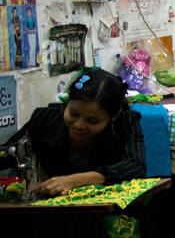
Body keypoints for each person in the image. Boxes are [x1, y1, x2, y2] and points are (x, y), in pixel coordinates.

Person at [13, 68, 146, 196]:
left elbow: (136, 167)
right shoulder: (46, 119)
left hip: (107, 209)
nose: (79, 125)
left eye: (92, 121)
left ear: (114, 116)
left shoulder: (124, 122)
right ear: (68, 101)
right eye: (73, 114)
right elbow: (9, 152)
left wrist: (75, 181)